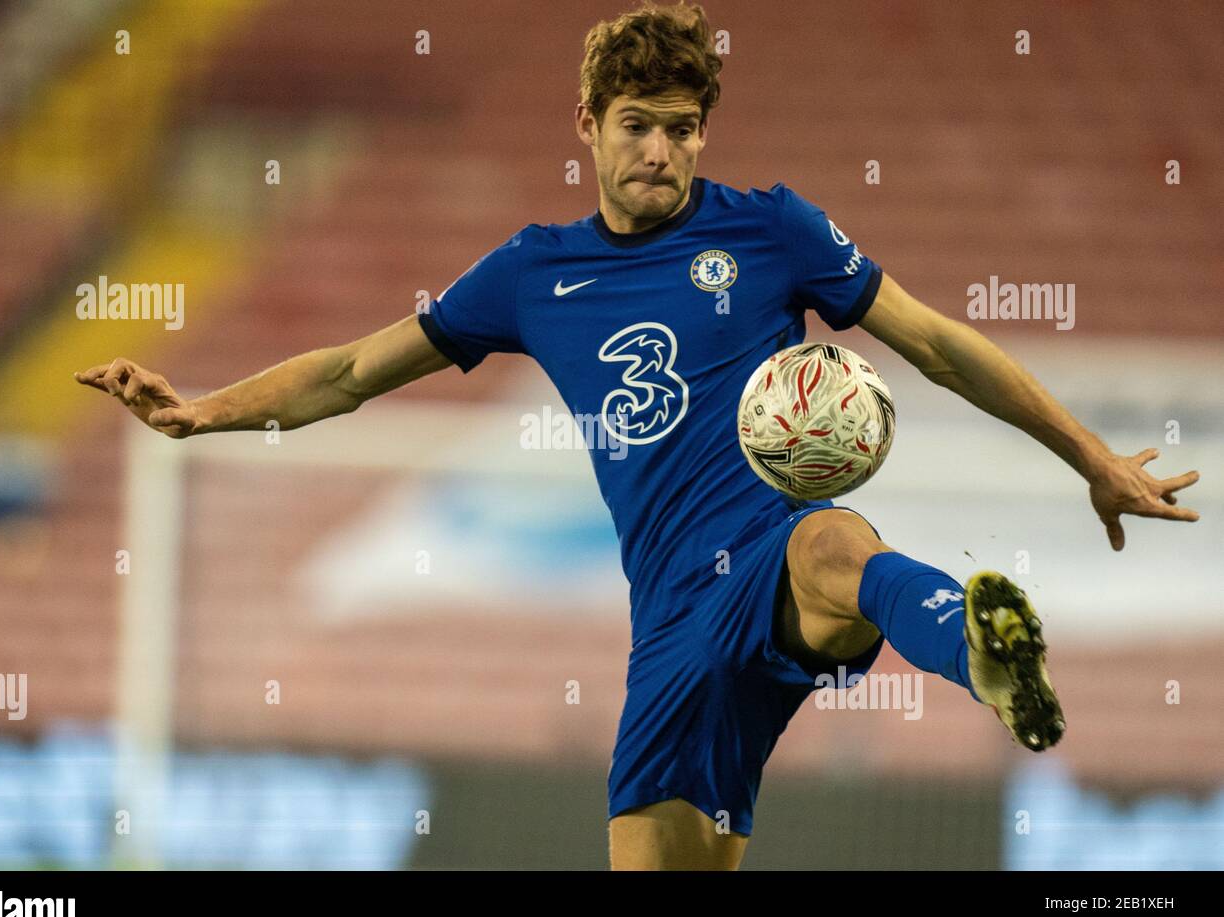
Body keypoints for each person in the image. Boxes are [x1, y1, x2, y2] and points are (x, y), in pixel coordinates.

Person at [75, 1, 1200, 870]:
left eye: (679, 128)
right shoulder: (528, 273)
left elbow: (940, 344)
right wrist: (199, 410)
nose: (659, 151)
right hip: (666, 627)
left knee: (834, 545)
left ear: (703, 130)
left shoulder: (773, 230)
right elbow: (350, 373)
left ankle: (986, 662)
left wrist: (1088, 457)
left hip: (772, 563)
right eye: (636, 127)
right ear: (587, 126)